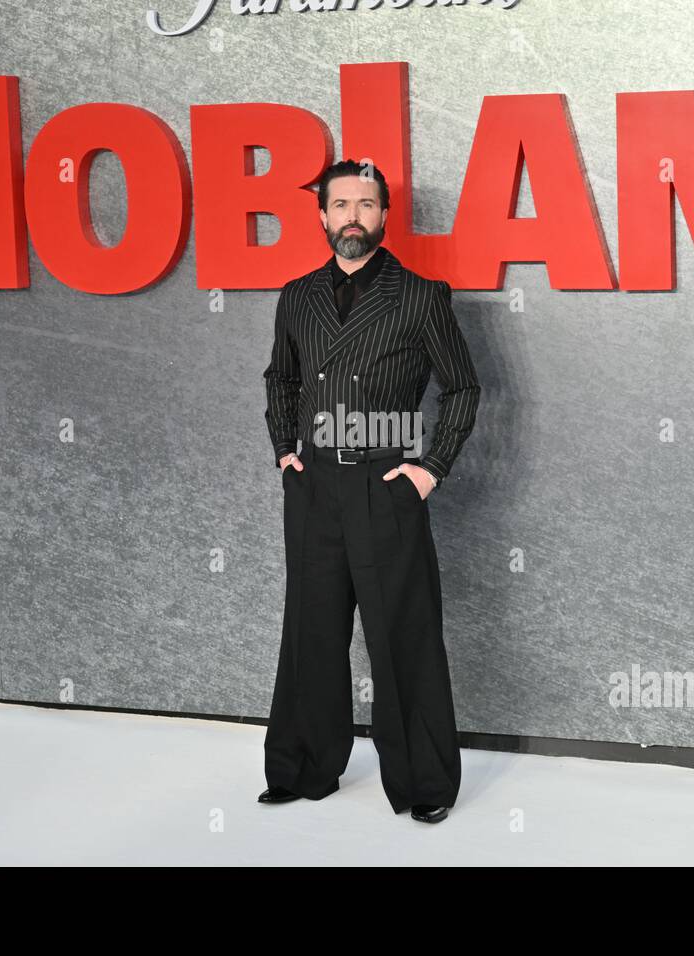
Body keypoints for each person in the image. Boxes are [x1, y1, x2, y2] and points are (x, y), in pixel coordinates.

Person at [258, 159, 481, 823]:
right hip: (313, 484)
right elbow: (280, 378)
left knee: (401, 634)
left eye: (366, 204)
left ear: (384, 216)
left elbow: (464, 387)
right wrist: (283, 451)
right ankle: (302, 768)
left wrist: (430, 467)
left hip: (386, 482)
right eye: (341, 204)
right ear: (321, 215)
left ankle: (423, 785)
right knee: (311, 630)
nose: (353, 215)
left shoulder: (419, 296)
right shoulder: (297, 295)